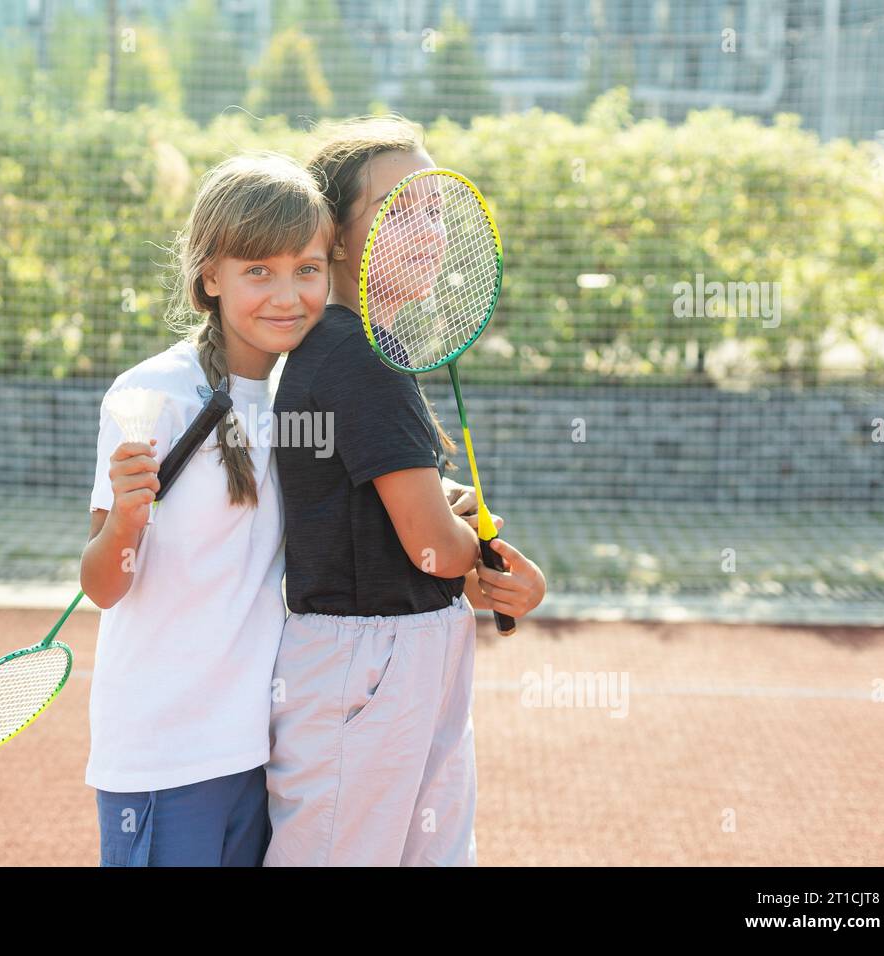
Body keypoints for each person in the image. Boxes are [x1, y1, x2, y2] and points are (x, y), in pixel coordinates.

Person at [265, 115, 547, 867]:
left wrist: (456, 519)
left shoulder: (354, 349)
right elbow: (430, 548)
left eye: (432, 208)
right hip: (370, 662)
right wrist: (473, 549)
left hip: (401, 654)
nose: (427, 228)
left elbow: (382, 499)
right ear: (337, 240)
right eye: (397, 209)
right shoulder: (359, 359)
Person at [80, 152, 334, 866]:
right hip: (163, 756)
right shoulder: (152, 394)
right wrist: (128, 516)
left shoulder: (300, 396)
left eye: (306, 269)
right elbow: (102, 586)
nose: (287, 294)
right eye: (258, 270)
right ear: (209, 276)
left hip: (256, 748)